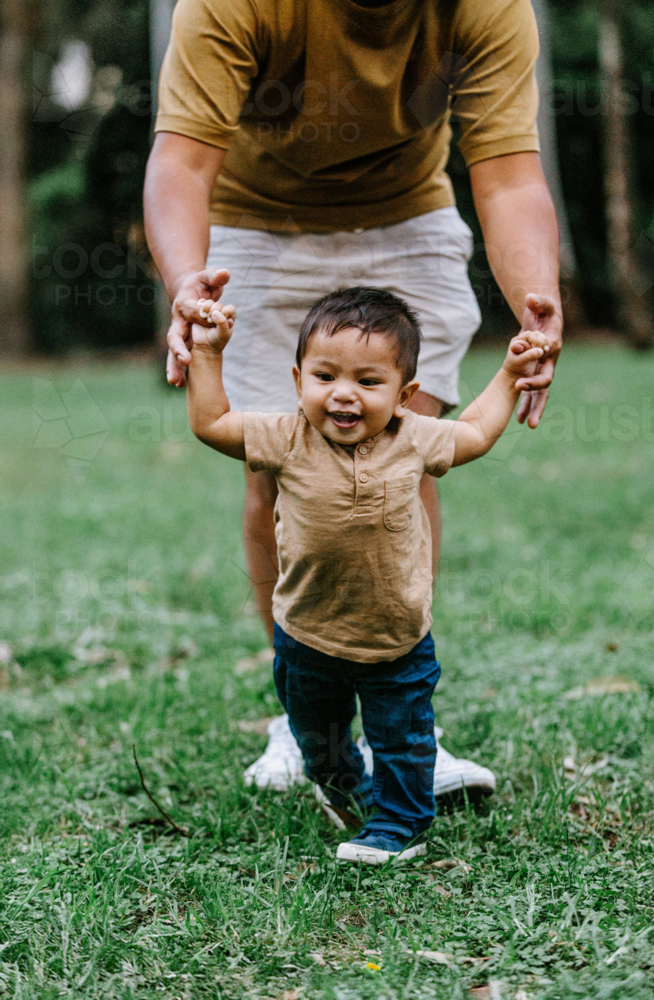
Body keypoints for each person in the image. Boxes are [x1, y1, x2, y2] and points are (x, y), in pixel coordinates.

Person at [143, 0, 564, 798]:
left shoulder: (485, 7)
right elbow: (183, 161)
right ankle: (302, 715)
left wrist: (535, 293)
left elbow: (507, 171)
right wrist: (186, 282)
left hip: (408, 216)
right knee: (272, 469)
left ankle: (403, 723)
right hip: (257, 222)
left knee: (408, 456)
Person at [186, 286, 549, 863]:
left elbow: (477, 433)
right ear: (299, 378)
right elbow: (211, 423)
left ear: (404, 395)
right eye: (324, 376)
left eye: (368, 382)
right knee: (320, 740)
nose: (343, 395)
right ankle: (347, 788)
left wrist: (509, 374)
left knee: (402, 738)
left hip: (395, 636)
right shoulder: (286, 437)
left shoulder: (413, 438)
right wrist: (207, 353)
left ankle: (399, 822)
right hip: (306, 634)